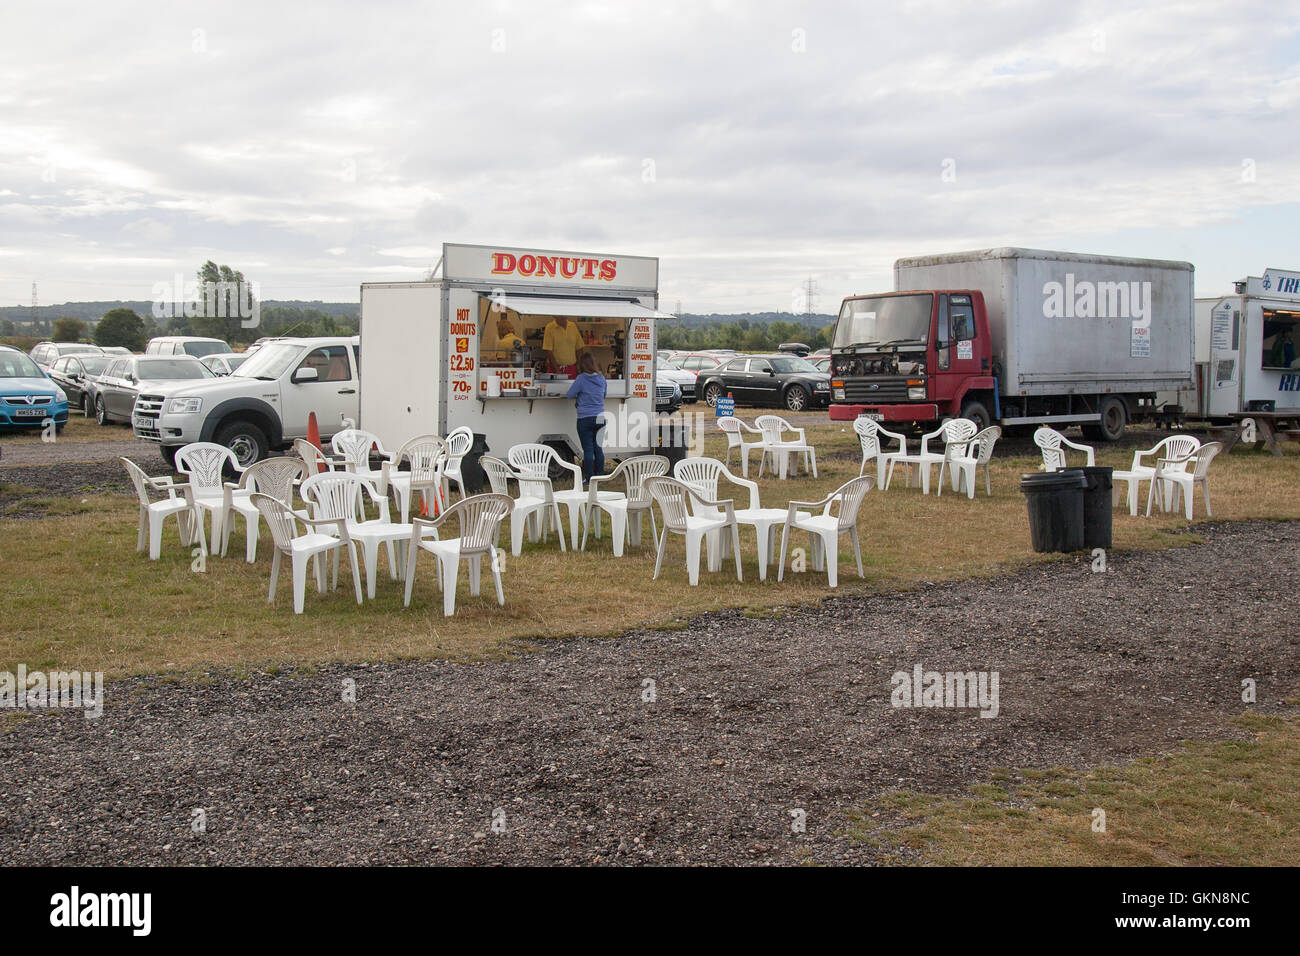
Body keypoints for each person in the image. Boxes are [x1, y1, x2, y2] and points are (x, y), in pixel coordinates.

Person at [567, 353, 607, 483]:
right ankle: (600, 476)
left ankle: (590, 478)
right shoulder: (602, 378)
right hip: (600, 417)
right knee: (598, 448)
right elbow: (604, 395)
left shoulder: (581, 379)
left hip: (585, 418)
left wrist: (579, 397)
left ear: (582, 365)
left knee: (588, 450)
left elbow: (569, 394)